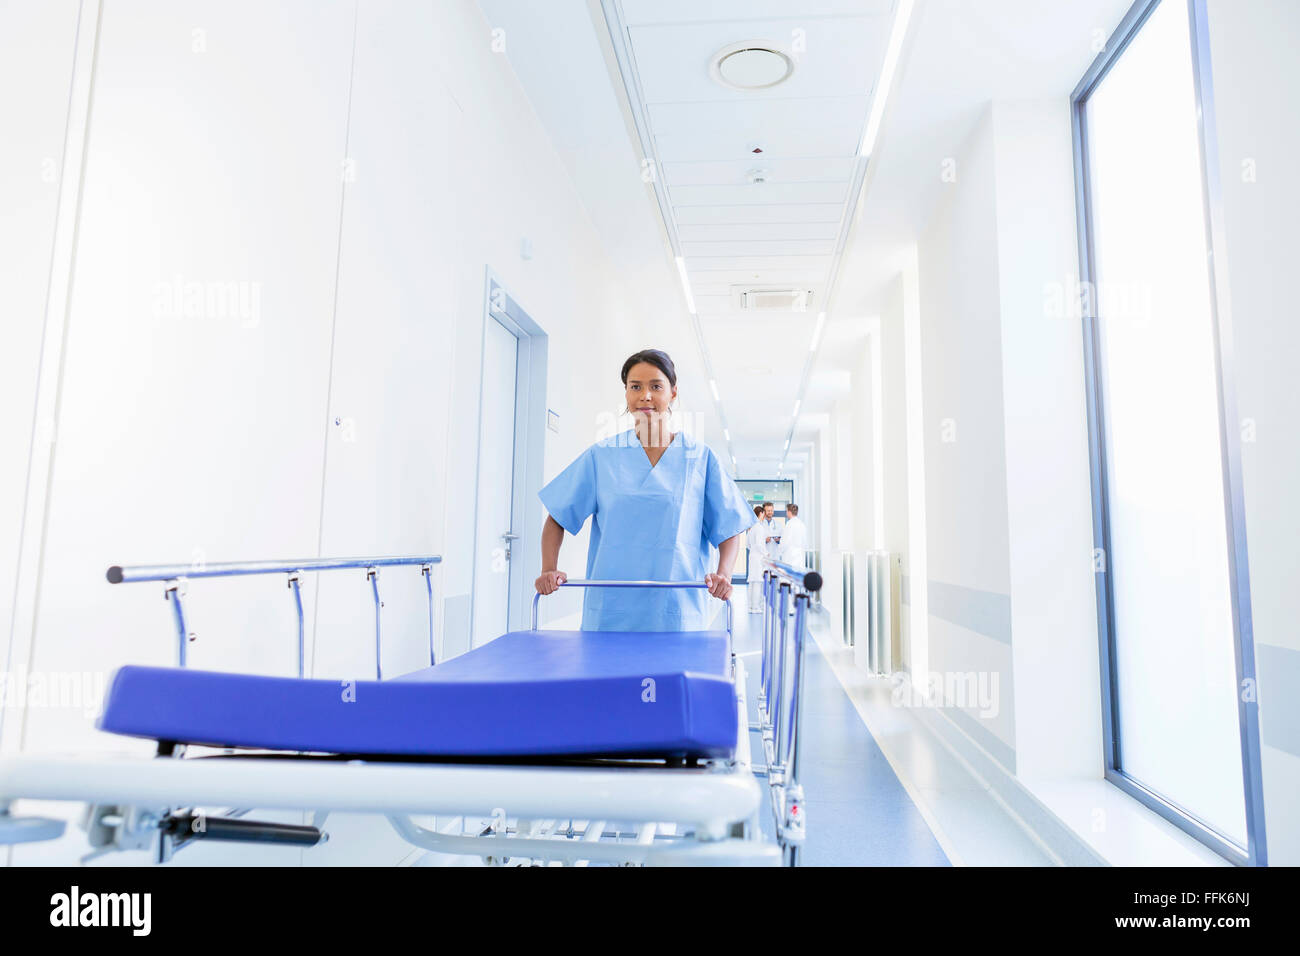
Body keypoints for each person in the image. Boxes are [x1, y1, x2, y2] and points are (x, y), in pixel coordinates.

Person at [534, 349, 756, 631]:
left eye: (656, 386)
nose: (645, 395)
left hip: (677, 612)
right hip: (611, 612)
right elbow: (558, 516)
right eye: (635, 387)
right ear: (626, 394)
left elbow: (730, 526)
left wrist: (724, 574)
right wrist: (548, 569)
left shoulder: (699, 458)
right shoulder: (602, 456)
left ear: (673, 393)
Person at [746, 504, 766, 613]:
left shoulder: (751, 528)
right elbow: (759, 544)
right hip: (758, 557)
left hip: (752, 556)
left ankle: (750, 606)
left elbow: (748, 545)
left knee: (752, 582)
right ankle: (756, 607)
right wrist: (766, 553)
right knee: (757, 581)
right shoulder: (759, 527)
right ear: (761, 513)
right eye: (763, 513)